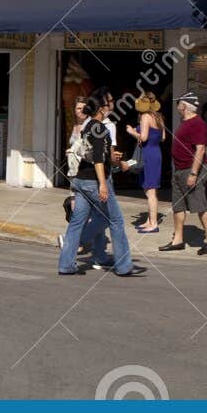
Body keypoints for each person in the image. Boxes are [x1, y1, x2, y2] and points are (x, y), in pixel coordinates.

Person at [57, 95, 140, 277]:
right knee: (115, 220)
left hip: (81, 180)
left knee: (80, 221)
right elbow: (98, 159)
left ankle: (66, 265)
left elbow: (101, 154)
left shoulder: (88, 126)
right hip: (94, 181)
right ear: (101, 109)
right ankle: (124, 266)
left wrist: (119, 163)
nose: (110, 107)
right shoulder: (101, 128)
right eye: (108, 105)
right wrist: (102, 184)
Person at [161, 92, 207, 255]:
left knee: (200, 205)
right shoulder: (185, 121)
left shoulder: (197, 123)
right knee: (178, 206)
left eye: (179, 102)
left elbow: (200, 149)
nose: (177, 105)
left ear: (184, 105)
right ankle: (178, 240)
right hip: (179, 169)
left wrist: (193, 174)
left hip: (190, 170)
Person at [125, 91, 166, 234]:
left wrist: (132, 131)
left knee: (150, 191)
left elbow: (143, 137)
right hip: (156, 153)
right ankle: (149, 220)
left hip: (148, 154)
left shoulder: (145, 117)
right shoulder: (159, 117)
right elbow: (163, 138)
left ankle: (153, 224)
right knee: (149, 188)